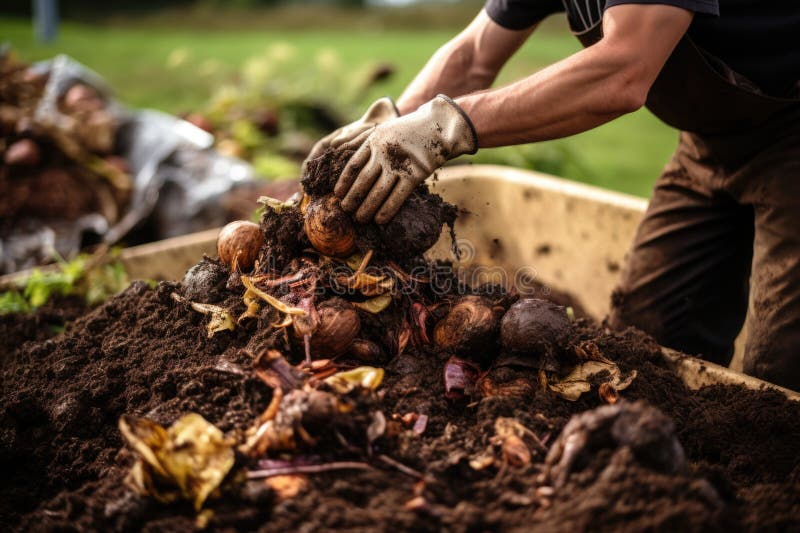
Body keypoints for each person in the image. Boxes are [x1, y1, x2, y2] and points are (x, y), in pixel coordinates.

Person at [303, 1, 800, 390]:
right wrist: (393, 119)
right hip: (708, 144)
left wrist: (448, 124)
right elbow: (475, 53)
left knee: (778, 373)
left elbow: (624, 70)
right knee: (646, 344)